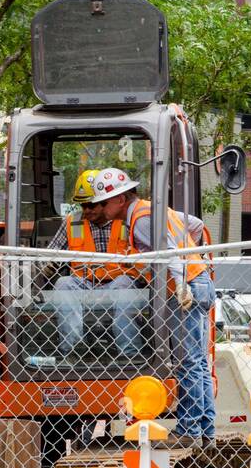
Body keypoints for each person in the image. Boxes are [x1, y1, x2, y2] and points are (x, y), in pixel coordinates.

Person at [90, 167, 216, 443]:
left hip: (187, 288)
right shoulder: (152, 210)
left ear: (120, 199)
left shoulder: (142, 219)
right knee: (197, 362)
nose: (100, 208)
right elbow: (195, 226)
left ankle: (190, 430)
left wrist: (181, 284)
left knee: (188, 363)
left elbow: (168, 251)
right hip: (199, 281)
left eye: (103, 202)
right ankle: (205, 430)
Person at [42, 170, 145, 362]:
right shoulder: (72, 222)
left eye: (91, 205)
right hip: (84, 284)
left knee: (124, 284)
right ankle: (72, 350)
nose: (87, 210)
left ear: (104, 200)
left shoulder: (126, 220)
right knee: (63, 283)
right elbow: (51, 254)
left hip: (118, 283)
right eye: (83, 205)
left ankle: (129, 353)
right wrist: (48, 264)